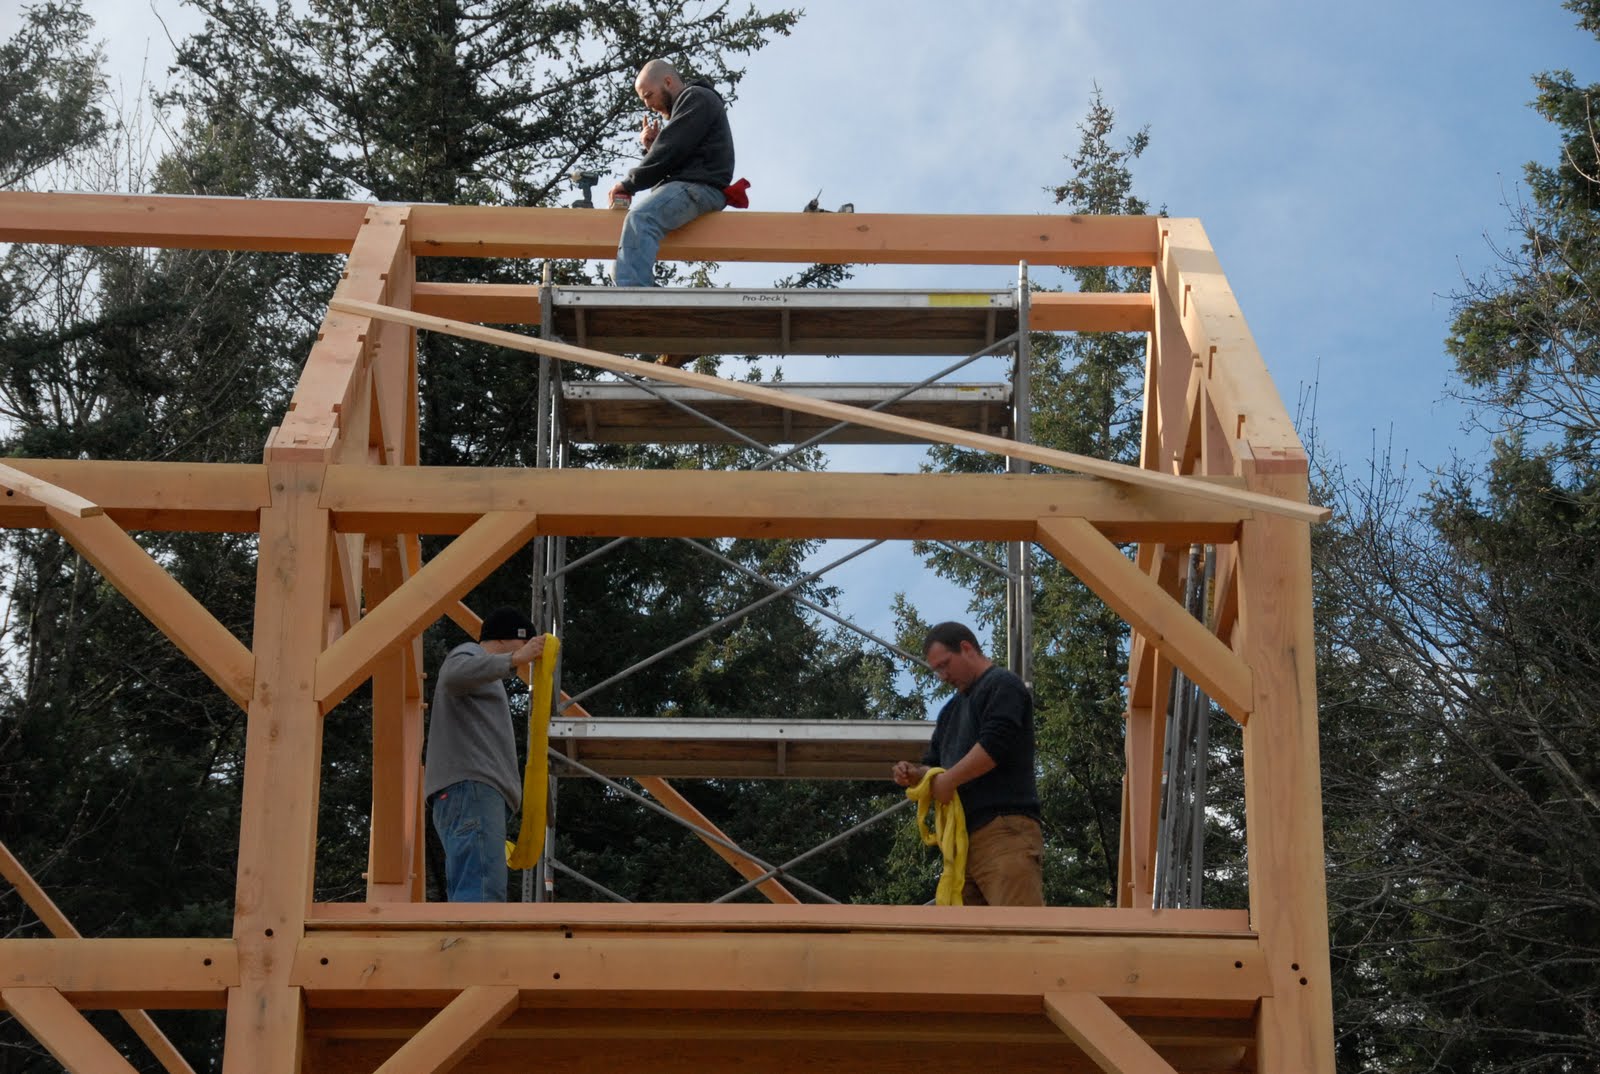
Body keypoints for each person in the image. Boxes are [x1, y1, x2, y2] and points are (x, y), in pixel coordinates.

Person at [892, 622, 1043, 906]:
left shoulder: (1003, 684)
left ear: (967, 648)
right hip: (962, 842)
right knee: (965, 931)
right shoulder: (950, 712)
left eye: (945, 665)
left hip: (1003, 830)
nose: (943, 676)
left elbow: (994, 746)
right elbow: (933, 766)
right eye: (936, 670)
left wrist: (949, 781)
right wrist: (915, 774)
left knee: (1018, 927)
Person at [424, 607, 545, 902]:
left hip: (470, 792)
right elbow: (453, 675)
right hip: (473, 788)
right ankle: (477, 934)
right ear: (504, 639)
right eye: (524, 642)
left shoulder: (485, 676)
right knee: (480, 892)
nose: (527, 652)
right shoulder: (468, 653)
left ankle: (472, 931)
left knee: (473, 884)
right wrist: (515, 659)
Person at [606, 59, 734, 290]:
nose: (648, 104)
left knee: (641, 219)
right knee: (624, 260)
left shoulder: (696, 97)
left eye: (648, 95)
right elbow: (674, 152)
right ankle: (640, 290)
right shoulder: (693, 106)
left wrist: (629, 184)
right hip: (694, 188)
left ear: (668, 81)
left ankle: (634, 293)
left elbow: (671, 150)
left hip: (699, 188)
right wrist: (652, 147)